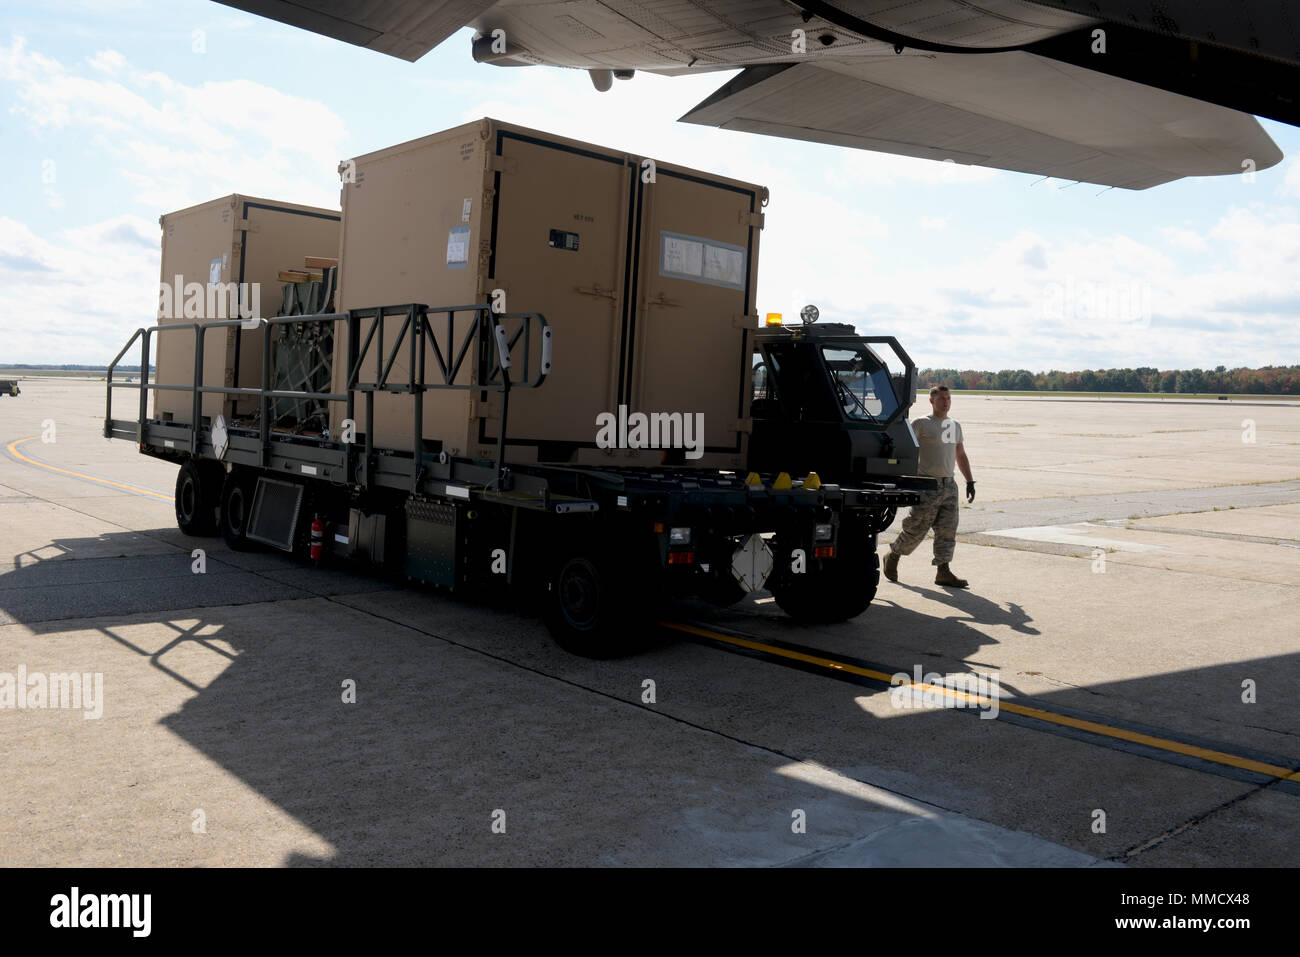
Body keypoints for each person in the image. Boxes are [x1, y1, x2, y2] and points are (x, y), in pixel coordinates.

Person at [883, 385, 975, 587]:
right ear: (932, 401)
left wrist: (969, 481)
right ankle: (893, 555)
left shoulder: (953, 425)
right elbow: (905, 449)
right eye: (941, 398)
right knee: (916, 528)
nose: (946, 402)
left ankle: (943, 571)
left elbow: (960, 454)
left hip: (949, 486)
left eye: (948, 398)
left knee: (947, 530)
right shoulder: (922, 423)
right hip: (927, 485)